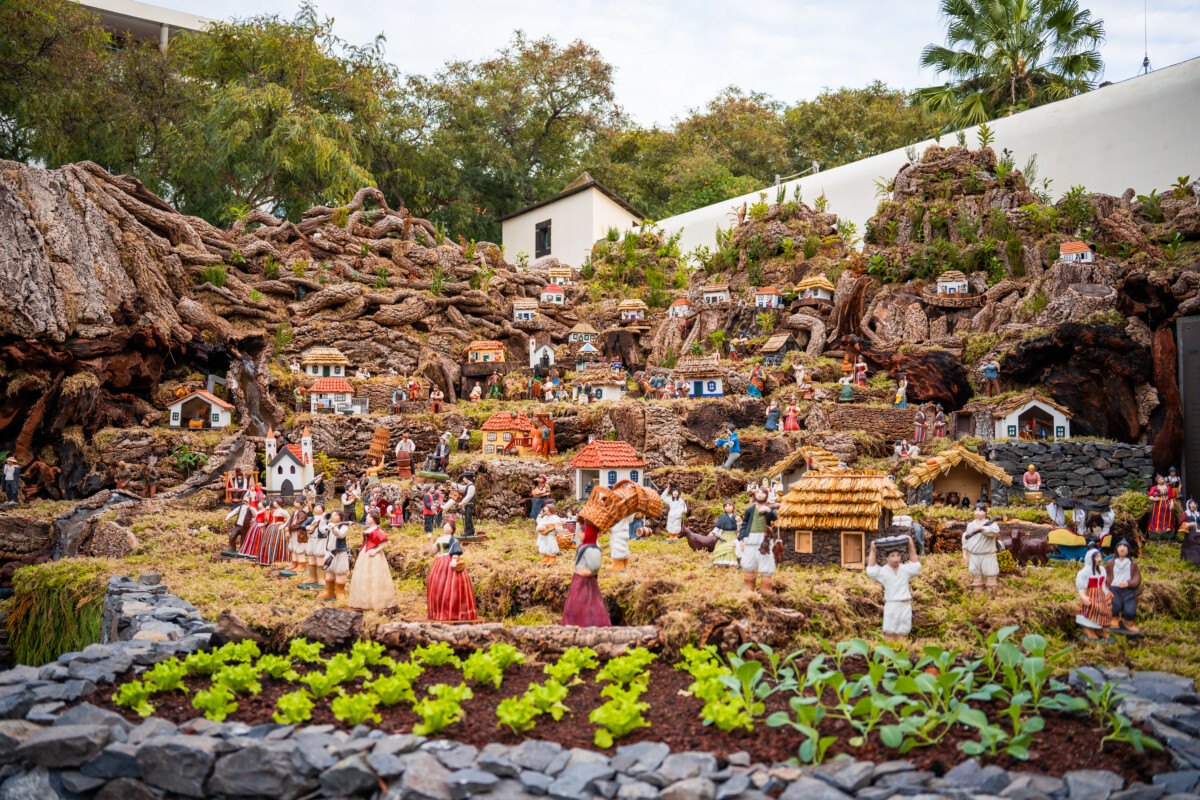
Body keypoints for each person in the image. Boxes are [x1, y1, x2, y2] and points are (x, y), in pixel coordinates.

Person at [866, 536, 921, 639]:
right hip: (891, 604)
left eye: (898, 555)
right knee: (889, 630)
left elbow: (915, 566)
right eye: (892, 556)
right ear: (887, 558)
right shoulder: (884, 571)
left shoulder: (904, 569)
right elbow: (871, 570)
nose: (896, 559)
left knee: (903, 631)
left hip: (904, 604)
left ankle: (902, 646)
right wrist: (873, 551)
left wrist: (911, 546)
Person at [561, 519, 610, 627]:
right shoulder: (583, 546)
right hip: (578, 578)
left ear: (588, 534)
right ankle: (574, 622)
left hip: (585, 580)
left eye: (581, 532)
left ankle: (588, 622)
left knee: (587, 600)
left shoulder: (592, 548)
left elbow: (596, 564)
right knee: (575, 600)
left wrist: (590, 572)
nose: (578, 534)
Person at [427, 517, 477, 621]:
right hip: (439, 563)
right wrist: (430, 540)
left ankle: (452, 612)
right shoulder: (440, 539)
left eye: (448, 526)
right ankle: (438, 612)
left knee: (452, 586)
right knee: (438, 584)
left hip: (448, 561)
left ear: (452, 529)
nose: (446, 527)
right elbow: (433, 551)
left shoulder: (453, 539)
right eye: (444, 526)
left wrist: (454, 559)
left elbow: (456, 550)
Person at [347, 511, 397, 611]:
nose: (366, 518)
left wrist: (376, 551)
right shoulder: (367, 530)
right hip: (364, 553)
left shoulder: (378, 531)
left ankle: (377, 601)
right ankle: (362, 600)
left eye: (369, 517)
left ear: (374, 518)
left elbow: (384, 543)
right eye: (367, 517)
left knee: (375, 575)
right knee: (363, 575)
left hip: (374, 555)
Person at [738, 487, 778, 594]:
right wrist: (741, 539)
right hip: (750, 539)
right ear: (755, 495)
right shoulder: (750, 510)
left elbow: (774, 517)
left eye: (763, 493)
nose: (760, 495)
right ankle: (748, 587)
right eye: (758, 493)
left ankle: (766, 588)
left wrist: (768, 511)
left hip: (764, 539)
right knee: (748, 563)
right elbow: (744, 524)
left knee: (766, 563)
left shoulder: (768, 509)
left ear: (766, 496)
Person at [962, 503, 1000, 594]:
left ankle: (992, 594)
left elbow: (995, 531)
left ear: (985, 512)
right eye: (975, 510)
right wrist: (964, 553)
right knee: (976, 575)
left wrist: (982, 528)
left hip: (988, 555)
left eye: (980, 510)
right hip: (974, 555)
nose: (977, 512)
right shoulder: (971, 525)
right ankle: (978, 596)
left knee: (991, 575)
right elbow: (966, 540)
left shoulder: (991, 524)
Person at [1105, 540, 1141, 634]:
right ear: (1116, 549)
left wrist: (1128, 583)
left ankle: (1129, 622)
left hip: (1128, 590)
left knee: (1130, 609)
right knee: (1115, 604)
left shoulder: (1132, 564)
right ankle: (1114, 619)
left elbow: (1137, 578)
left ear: (1128, 550)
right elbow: (1105, 574)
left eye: (1125, 547)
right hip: (1114, 588)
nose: (1122, 548)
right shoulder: (1111, 562)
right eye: (1120, 546)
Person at [1075, 548, 1112, 640]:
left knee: (1104, 610)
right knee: (1092, 609)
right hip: (1091, 594)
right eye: (1096, 557)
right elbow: (1081, 589)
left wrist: (1107, 593)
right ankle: (1089, 629)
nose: (1099, 559)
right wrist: (1083, 597)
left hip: (1101, 594)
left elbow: (1104, 584)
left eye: (1100, 556)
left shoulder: (1102, 570)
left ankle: (1099, 629)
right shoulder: (1084, 573)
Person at [316, 510, 351, 602]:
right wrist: (323, 520)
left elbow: (340, 535)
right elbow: (322, 531)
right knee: (329, 572)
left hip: (339, 553)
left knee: (340, 572)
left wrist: (334, 528)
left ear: (341, 517)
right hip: (329, 552)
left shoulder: (344, 527)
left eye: (336, 515)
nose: (333, 516)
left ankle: (340, 592)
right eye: (333, 515)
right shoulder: (330, 525)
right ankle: (329, 591)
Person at [300, 503, 328, 589]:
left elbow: (327, 528)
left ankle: (322, 578)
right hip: (311, 539)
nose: (316, 509)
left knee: (320, 558)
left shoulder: (325, 519)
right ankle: (312, 577)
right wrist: (307, 527)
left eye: (319, 507)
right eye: (315, 507)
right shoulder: (312, 518)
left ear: (323, 509)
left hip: (320, 540)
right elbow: (303, 525)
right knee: (311, 558)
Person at [711, 501, 740, 568]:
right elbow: (718, 526)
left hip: (733, 535)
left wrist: (739, 529)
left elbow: (739, 527)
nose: (728, 508)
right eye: (726, 506)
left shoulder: (736, 517)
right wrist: (713, 532)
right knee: (719, 547)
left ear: (733, 507)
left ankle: (731, 563)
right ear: (724, 508)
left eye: (730, 506)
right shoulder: (723, 517)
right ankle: (718, 563)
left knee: (731, 548)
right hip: (724, 535)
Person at [286, 497, 310, 573]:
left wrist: (289, 528)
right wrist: (288, 527)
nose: (295, 503)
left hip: (299, 533)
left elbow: (299, 524)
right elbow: (290, 521)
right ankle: (294, 563)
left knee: (299, 550)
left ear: (301, 504)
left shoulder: (303, 513)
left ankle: (301, 565)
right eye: (295, 502)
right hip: (293, 533)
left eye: (296, 502)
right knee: (294, 549)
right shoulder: (295, 512)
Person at [458, 472, 477, 537]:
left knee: (468, 518)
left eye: (464, 478)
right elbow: (461, 487)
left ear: (467, 478)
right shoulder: (468, 486)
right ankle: (471, 531)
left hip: (469, 504)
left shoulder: (471, 487)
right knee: (468, 517)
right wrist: (451, 484)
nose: (463, 479)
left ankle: (468, 532)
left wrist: (462, 502)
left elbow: (469, 496)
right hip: (468, 504)